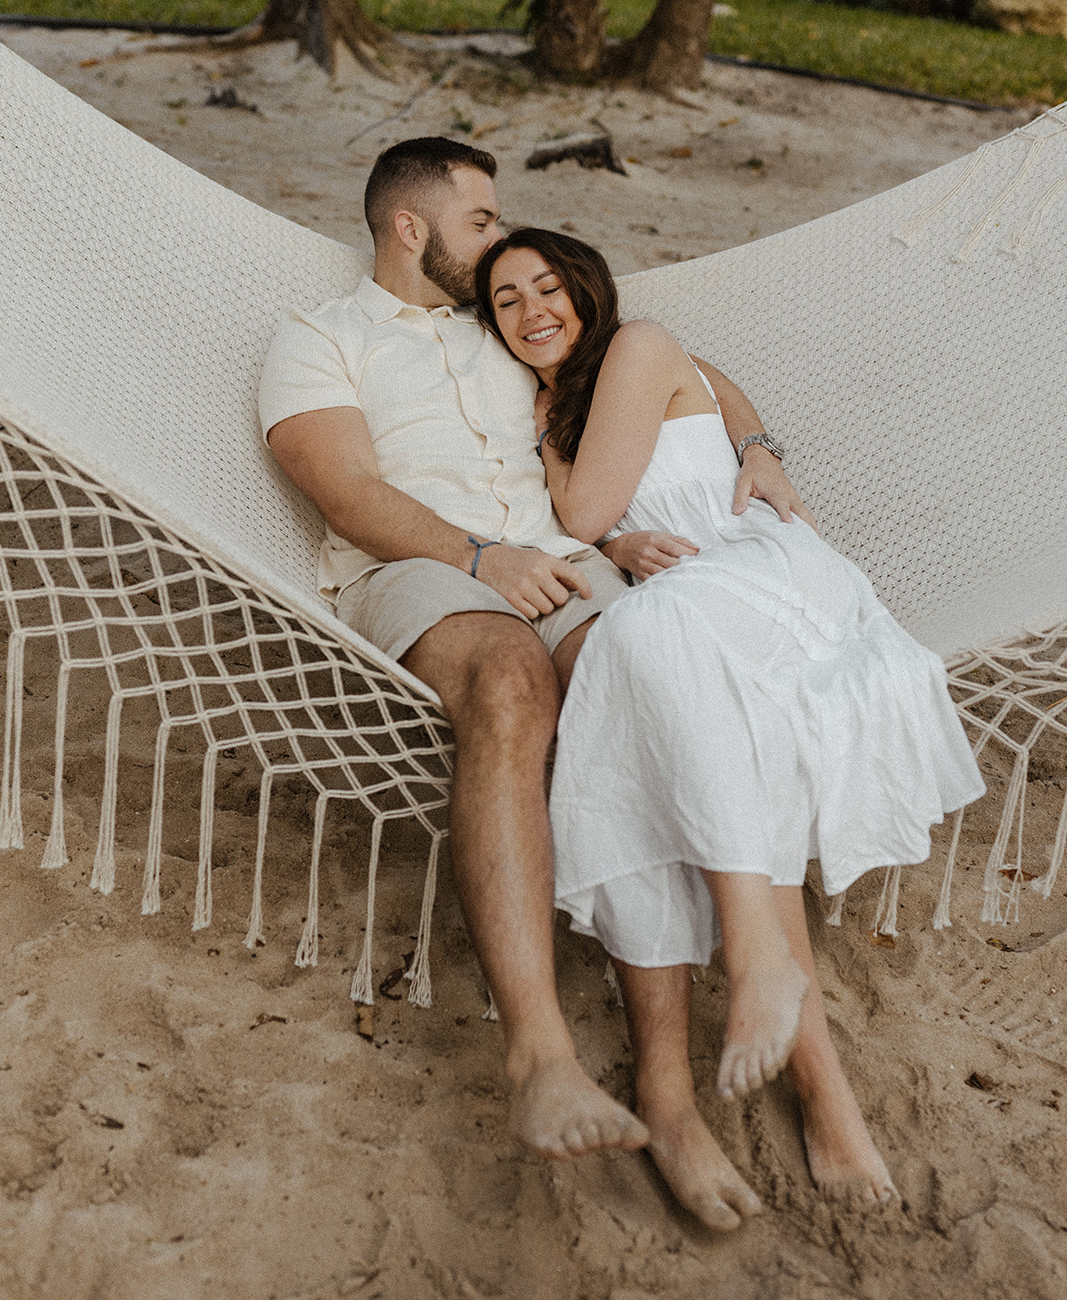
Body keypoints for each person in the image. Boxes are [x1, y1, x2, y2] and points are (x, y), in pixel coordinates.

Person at [259, 137, 807, 1230]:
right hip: (419, 575)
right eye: (479, 219)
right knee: (511, 685)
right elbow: (345, 490)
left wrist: (753, 440)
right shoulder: (317, 339)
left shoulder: (510, 324)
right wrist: (477, 558)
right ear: (411, 227)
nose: (498, 236)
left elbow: (664, 357)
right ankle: (541, 1058)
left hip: (566, 566)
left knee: (642, 679)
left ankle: (664, 1087)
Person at [476, 226, 987, 1211]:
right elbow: (604, 518)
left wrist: (638, 496)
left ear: (587, 294)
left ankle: (765, 1019)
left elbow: (577, 515)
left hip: (762, 580)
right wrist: (620, 523)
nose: (533, 310)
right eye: (506, 301)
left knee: (642, 636)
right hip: (690, 602)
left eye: (549, 288)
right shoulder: (560, 404)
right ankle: (812, 1081)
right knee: (664, 705)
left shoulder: (635, 347)